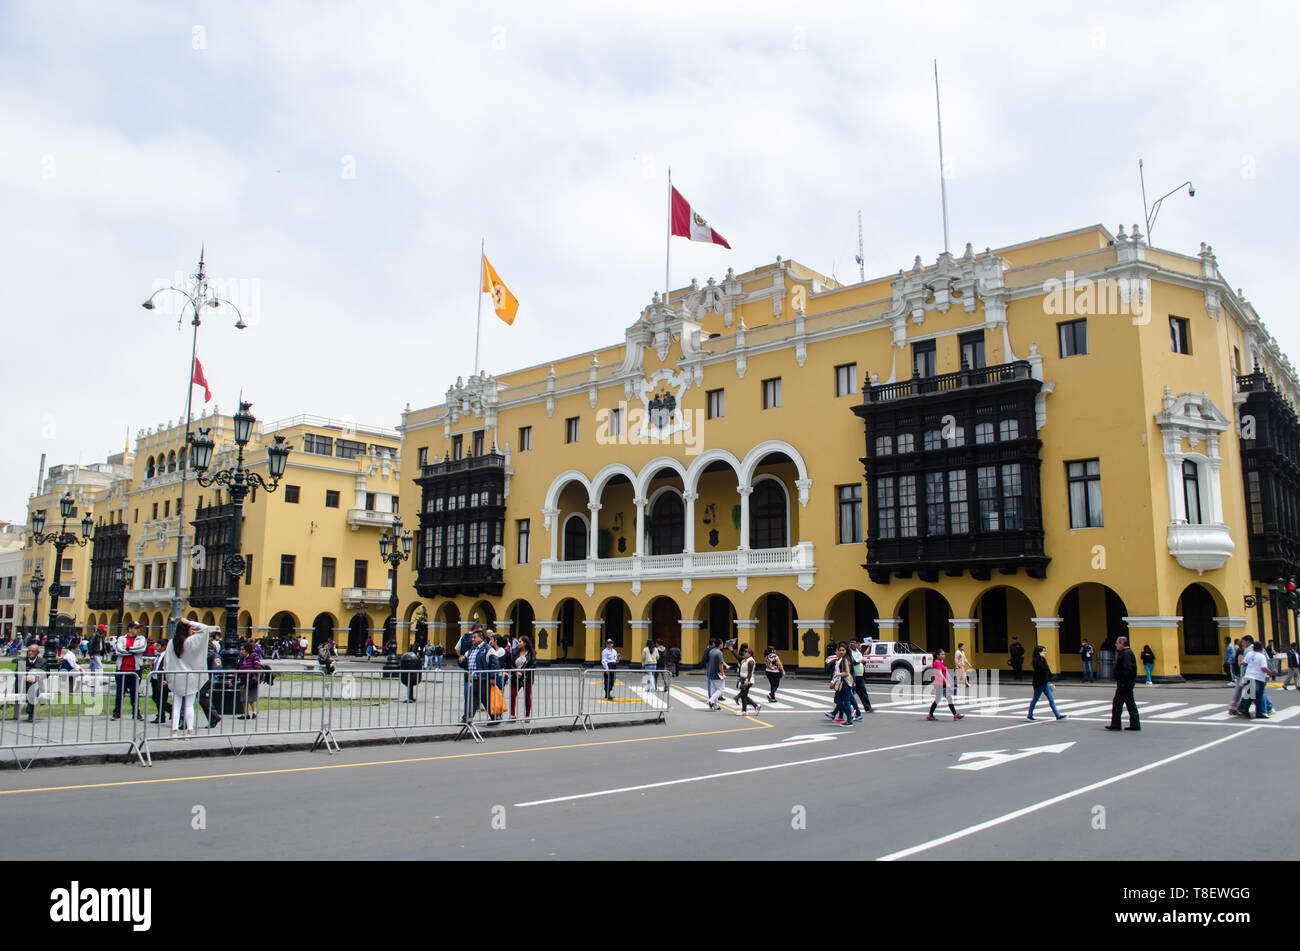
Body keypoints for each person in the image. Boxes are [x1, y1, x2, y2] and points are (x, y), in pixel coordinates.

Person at [168, 619, 215, 737]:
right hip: (191, 677)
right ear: (187, 629)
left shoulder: (171, 643)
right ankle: (189, 730)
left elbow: (167, 661)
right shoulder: (192, 641)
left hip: (176, 676)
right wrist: (190, 621)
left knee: (176, 705)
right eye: (190, 628)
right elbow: (204, 628)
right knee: (189, 705)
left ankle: (174, 731)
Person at [112, 621, 147, 720]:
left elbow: (141, 648)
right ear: (130, 629)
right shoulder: (121, 639)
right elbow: (119, 650)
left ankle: (136, 712)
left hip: (135, 669)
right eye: (136, 628)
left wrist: (127, 648)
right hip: (121, 669)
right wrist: (132, 651)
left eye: (138, 628)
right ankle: (117, 712)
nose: (138, 630)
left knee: (134, 693)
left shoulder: (141, 639)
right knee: (120, 692)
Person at [1106, 636, 1140, 731]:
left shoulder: (1126, 654)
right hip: (1127, 683)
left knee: (1117, 703)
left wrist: (1122, 680)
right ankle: (1135, 724)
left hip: (1124, 684)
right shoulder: (1127, 653)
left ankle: (1116, 724)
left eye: (1117, 643)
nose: (1116, 645)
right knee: (1130, 703)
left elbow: (1127, 669)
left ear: (1121, 643)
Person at [1237, 636, 1276, 719]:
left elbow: (1244, 664)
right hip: (1258, 678)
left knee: (1249, 695)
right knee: (1258, 696)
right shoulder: (1261, 656)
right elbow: (1263, 668)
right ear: (1261, 648)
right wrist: (1271, 673)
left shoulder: (1249, 653)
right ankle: (1259, 713)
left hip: (1248, 676)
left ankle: (1244, 710)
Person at [1027, 645, 1066, 720]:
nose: (1045, 652)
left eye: (1045, 651)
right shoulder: (1036, 661)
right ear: (1039, 652)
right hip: (1039, 683)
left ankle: (1057, 715)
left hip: (1045, 682)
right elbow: (1044, 667)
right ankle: (1029, 715)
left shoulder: (1043, 660)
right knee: (1035, 699)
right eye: (1043, 651)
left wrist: (1052, 677)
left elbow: (1047, 670)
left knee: (1051, 699)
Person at [926, 648, 964, 722]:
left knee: (945, 699)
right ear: (938, 655)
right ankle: (931, 715)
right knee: (940, 699)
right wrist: (946, 682)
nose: (944, 655)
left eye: (944, 654)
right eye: (942, 654)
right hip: (940, 684)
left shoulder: (939, 662)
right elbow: (940, 673)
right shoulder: (937, 662)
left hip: (941, 684)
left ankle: (955, 715)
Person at [825, 643, 856, 726]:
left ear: (846, 651)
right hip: (845, 681)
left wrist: (837, 674)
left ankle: (849, 719)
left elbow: (847, 672)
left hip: (845, 681)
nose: (841, 652)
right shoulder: (845, 658)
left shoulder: (845, 659)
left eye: (843, 650)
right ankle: (849, 716)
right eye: (840, 650)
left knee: (844, 701)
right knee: (840, 700)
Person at [510, 633, 536, 720]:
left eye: (520, 642)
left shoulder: (531, 653)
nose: (518, 643)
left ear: (525, 643)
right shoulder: (515, 652)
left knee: (527, 696)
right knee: (513, 694)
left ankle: (527, 715)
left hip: (527, 677)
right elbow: (511, 664)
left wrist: (524, 672)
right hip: (516, 676)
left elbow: (533, 664)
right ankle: (512, 714)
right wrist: (515, 671)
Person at [19, 642, 46, 723]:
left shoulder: (43, 661)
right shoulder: (22, 661)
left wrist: (35, 677)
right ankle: (31, 712)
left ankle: (30, 712)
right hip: (23, 684)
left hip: (36, 684)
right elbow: (17, 673)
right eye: (29, 651)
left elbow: (44, 674)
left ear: (38, 652)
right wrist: (25, 677)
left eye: (32, 651)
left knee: (33, 687)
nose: (30, 653)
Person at [147, 637, 172, 724]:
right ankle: (161, 715)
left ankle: (170, 709)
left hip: (162, 680)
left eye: (158, 646)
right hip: (155, 679)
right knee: (155, 697)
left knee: (161, 699)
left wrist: (166, 679)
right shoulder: (159, 655)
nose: (156, 647)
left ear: (164, 647)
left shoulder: (167, 656)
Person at [734, 644, 762, 717]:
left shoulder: (751, 661)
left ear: (750, 654)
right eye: (744, 652)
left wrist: (747, 680)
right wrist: (732, 650)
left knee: (744, 695)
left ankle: (745, 711)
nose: (744, 653)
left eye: (746, 652)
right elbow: (738, 657)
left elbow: (749, 672)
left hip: (748, 680)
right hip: (743, 678)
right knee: (744, 695)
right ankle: (756, 706)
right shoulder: (745, 659)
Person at [237, 641, 263, 719]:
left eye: (242, 650)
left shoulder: (254, 656)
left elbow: (257, 666)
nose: (241, 651)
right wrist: (233, 680)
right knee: (243, 698)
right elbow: (238, 669)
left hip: (251, 681)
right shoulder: (242, 658)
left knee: (250, 697)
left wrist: (250, 673)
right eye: (240, 649)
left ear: (247, 650)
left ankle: (254, 712)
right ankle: (246, 713)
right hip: (243, 680)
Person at [704, 638, 728, 710]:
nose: (723, 644)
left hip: (711, 673)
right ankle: (711, 701)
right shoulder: (719, 652)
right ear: (720, 644)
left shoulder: (711, 651)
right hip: (717, 674)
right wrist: (723, 674)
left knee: (713, 690)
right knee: (721, 689)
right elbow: (720, 664)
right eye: (722, 643)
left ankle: (715, 706)